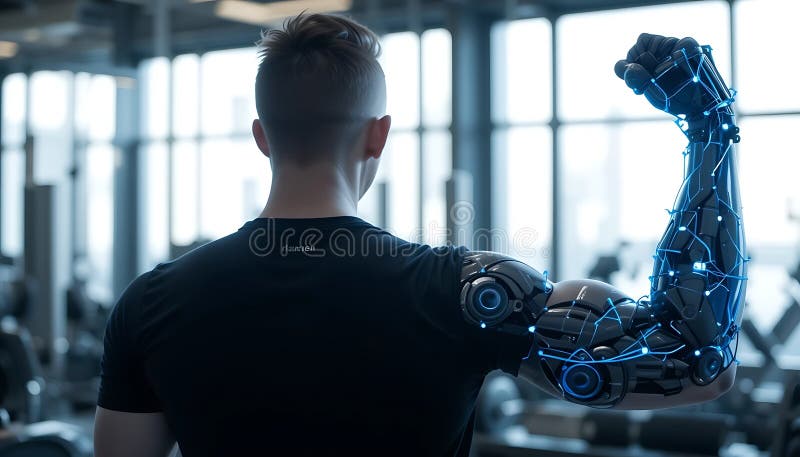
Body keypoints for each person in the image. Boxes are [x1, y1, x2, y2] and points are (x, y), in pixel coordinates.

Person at [93, 13, 746, 457]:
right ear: (378, 134)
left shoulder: (149, 303)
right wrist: (710, 128)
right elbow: (698, 363)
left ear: (261, 135)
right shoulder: (466, 292)